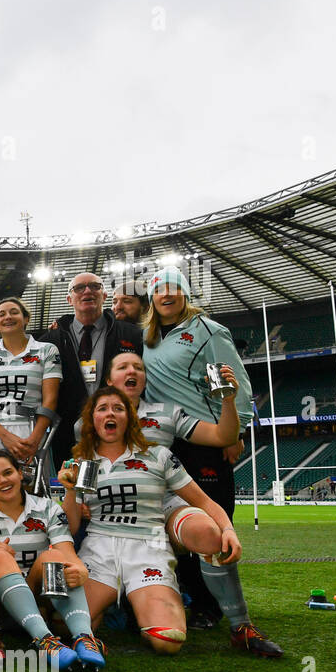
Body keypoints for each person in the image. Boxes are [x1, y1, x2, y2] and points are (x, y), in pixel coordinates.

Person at [106, 352, 281, 655]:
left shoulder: (167, 413)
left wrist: (228, 400)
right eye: (123, 367)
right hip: (115, 514)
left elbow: (222, 435)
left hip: (164, 502)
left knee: (209, 533)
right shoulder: (91, 419)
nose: (132, 371)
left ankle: (241, 627)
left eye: (138, 367)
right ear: (110, 380)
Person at [57, 386, 243, 655]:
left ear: (129, 418)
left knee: (167, 641)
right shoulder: (83, 463)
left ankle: (140, 603)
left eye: (118, 409)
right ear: (91, 420)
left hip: (148, 547)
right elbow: (72, 526)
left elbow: (203, 502)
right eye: (102, 408)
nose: (110, 413)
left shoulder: (158, 455)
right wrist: (70, 490)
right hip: (99, 549)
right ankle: (110, 608)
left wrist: (227, 529)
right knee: (63, 625)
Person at [140, 266, 254, 631]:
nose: (167, 295)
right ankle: (193, 597)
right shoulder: (149, 336)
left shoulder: (208, 330)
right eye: (159, 290)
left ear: (185, 293)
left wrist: (239, 432)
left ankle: (214, 607)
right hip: (168, 442)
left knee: (213, 523)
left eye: (174, 288)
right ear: (152, 298)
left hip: (205, 439)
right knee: (176, 526)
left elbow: (238, 382)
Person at [0, 449, 103, 670]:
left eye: (8, 473)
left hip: (35, 597)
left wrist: (79, 569)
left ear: (20, 473)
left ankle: (84, 638)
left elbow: (66, 551)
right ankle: (44, 640)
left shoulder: (47, 507)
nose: (3, 481)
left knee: (53, 556)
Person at [39, 272, 144, 469]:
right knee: (74, 493)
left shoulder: (133, 335)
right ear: (69, 299)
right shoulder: (48, 341)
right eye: (79, 288)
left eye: (95, 286)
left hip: (121, 429)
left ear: (104, 296)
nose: (87, 291)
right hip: (68, 435)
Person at [0, 297, 60, 483]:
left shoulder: (47, 350)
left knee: (26, 489)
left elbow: (50, 399)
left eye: (14, 312)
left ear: (26, 319)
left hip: (30, 429)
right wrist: (5, 437)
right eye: (1, 314)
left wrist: (35, 439)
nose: (7, 317)